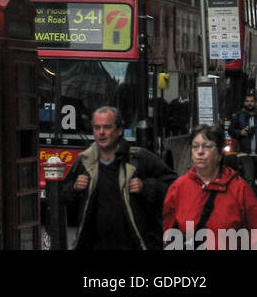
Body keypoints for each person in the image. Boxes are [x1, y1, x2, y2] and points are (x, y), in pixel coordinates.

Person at [64, 105, 174, 250]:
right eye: (97, 128)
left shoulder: (139, 159)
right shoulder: (84, 162)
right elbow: (61, 198)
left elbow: (174, 187)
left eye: (107, 127)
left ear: (119, 130)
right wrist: (74, 188)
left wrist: (146, 187)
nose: (101, 133)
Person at [163, 123, 257, 249]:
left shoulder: (240, 189)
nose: (200, 152)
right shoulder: (178, 188)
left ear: (219, 154)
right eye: (195, 147)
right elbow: (168, 232)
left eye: (207, 147)